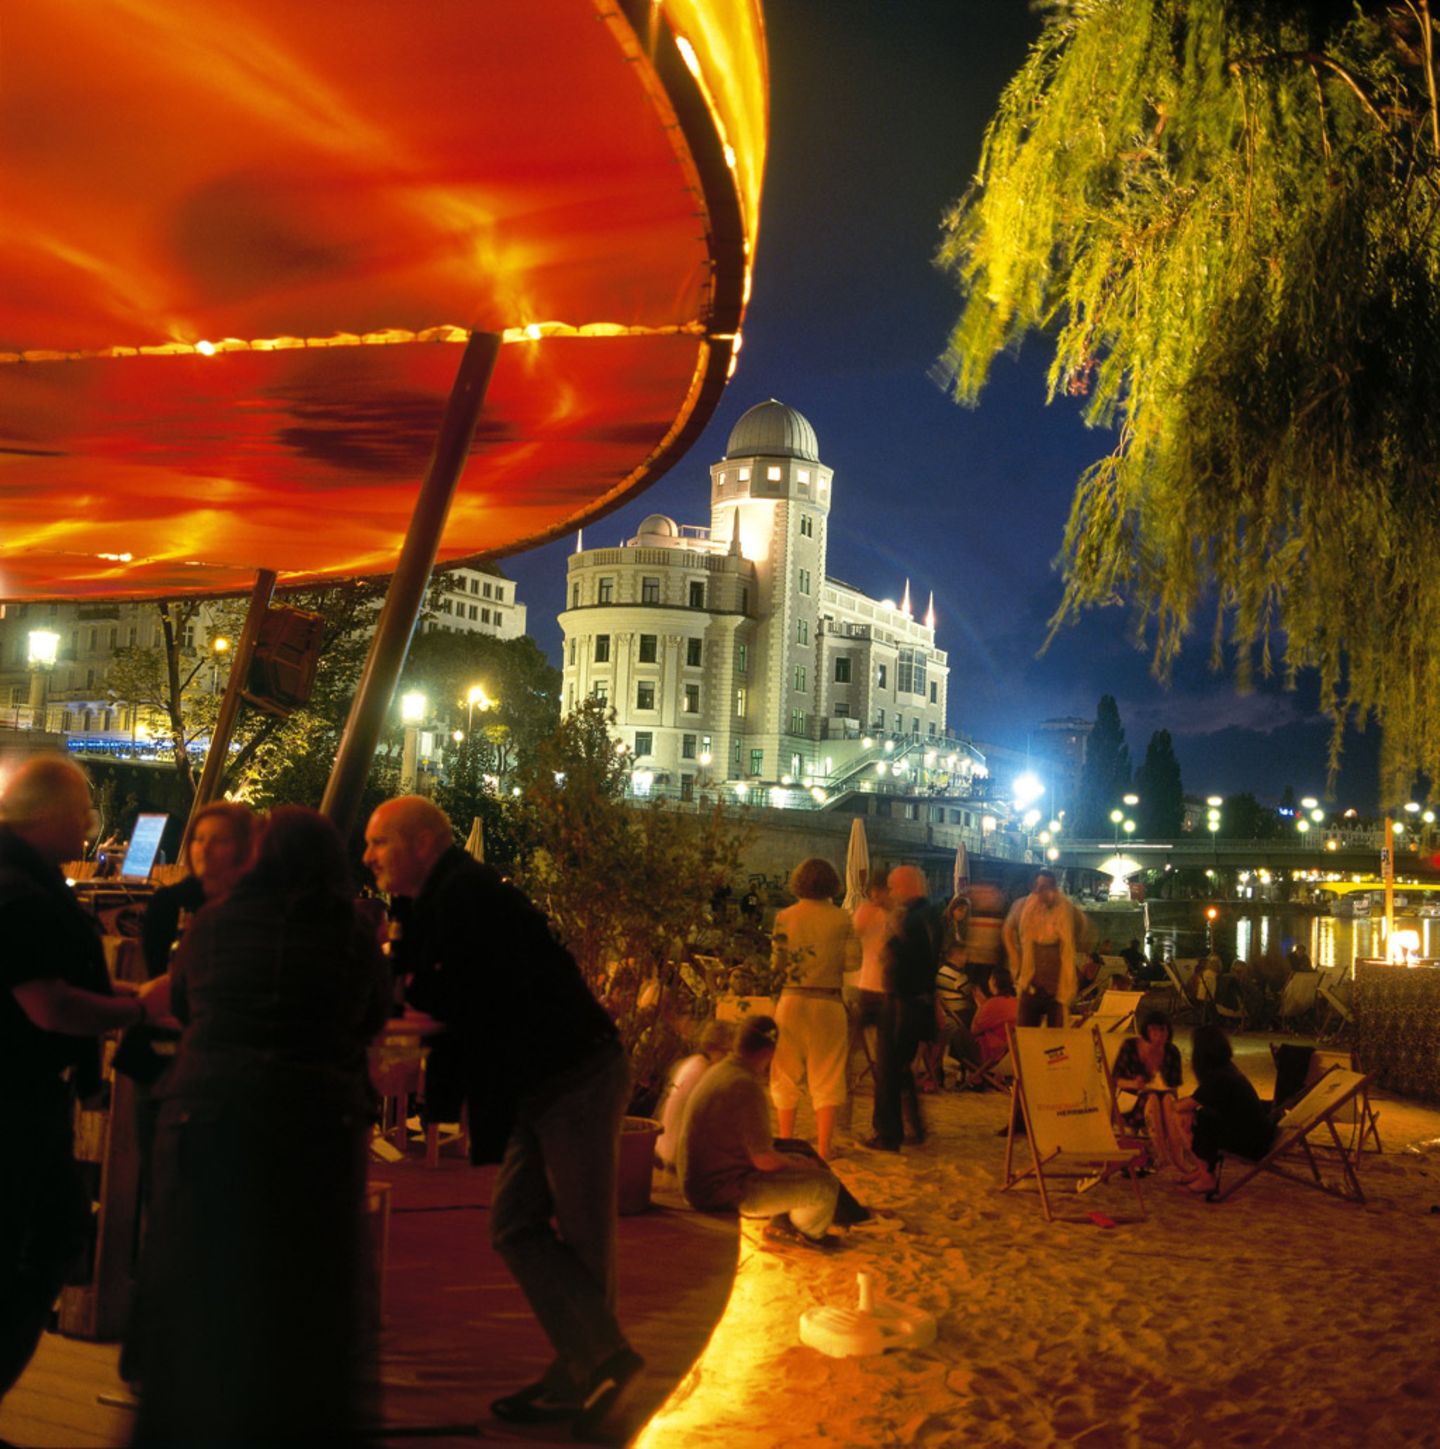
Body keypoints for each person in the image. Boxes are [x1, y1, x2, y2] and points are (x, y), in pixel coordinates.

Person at [363, 795, 640, 1437]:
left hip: (574, 1075)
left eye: (380, 842)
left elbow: (454, 1004)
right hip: (544, 1081)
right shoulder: (427, 904)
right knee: (516, 1225)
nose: (367, 854)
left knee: (576, 1231)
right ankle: (586, 1361)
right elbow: (430, 996)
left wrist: (372, 1035)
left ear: (424, 843)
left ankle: (596, 1364)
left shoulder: (465, 897)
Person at [131, 807, 389, 1446]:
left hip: (207, 1111)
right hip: (315, 1118)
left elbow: (186, 1004)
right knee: (305, 1281)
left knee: (198, 1267)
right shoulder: (352, 935)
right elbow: (374, 1015)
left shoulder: (216, 924)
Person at [0, 755, 148, 1408]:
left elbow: (65, 985)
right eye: (84, 808)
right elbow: (51, 1004)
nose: (92, 823)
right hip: (13, 1103)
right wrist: (142, 1008)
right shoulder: (20, 893)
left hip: (28, 1099)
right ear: (54, 813)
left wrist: (136, 995)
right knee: (36, 1240)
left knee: (49, 1232)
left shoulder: (28, 883)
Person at [677, 1016, 842, 1250]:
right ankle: (806, 1234)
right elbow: (764, 1160)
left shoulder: (721, 1070)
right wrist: (802, 1166)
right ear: (769, 1052)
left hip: (699, 1184)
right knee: (825, 1186)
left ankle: (785, 1221)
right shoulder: (745, 1085)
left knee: (794, 1152)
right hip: (722, 1191)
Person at [770, 857, 854, 1161]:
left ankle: (785, 1139)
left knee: (784, 1072)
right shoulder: (842, 919)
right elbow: (854, 962)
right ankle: (823, 1146)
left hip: (792, 1000)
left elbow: (776, 964)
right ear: (832, 883)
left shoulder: (784, 917)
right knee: (828, 1074)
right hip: (828, 1002)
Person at [866, 864, 941, 1153]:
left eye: (895, 886)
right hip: (918, 1002)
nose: (893, 892)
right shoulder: (931, 916)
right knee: (901, 1069)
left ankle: (888, 1135)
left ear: (908, 886)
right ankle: (914, 1128)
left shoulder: (911, 920)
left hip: (901, 1002)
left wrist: (889, 950)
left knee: (888, 1071)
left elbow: (898, 960)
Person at [1176, 1025, 1276, 1195]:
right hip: (1259, 1134)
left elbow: (1184, 1105)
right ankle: (1203, 1170)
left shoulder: (1218, 1077)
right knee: (1197, 1116)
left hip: (1252, 1144)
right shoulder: (1227, 1069)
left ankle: (1207, 1177)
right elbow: (1197, 1101)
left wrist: (1169, 1105)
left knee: (1182, 1117)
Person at [1110, 1009, 1193, 1172]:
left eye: (1162, 1030)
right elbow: (1116, 1080)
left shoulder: (1171, 1052)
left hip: (1163, 1101)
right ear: (1146, 1031)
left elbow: (1174, 1087)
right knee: (1153, 1098)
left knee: (1167, 1100)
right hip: (1133, 1101)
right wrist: (1135, 1083)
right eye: (1154, 1030)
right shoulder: (1131, 1047)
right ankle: (1163, 1156)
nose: (1158, 1035)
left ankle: (1177, 1158)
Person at [1004, 869, 1085, 1027]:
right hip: (1030, 985)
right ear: (1034, 889)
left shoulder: (1067, 909)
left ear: (1055, 888)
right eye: (1041, 887)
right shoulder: (1022, 907)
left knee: (1055, 1043)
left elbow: (1081, 930)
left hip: (1057, 990)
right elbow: (1007, 930)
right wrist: (1015, 958)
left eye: (1049, 887)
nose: (1045, 892)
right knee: (1025, 1037)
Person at [655, 1020, 733, 1170]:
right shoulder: (704, 1073)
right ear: (720, 1049)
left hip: (666, 1149)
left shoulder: (691, 1063)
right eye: (728, 1051)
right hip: (682, 1157)